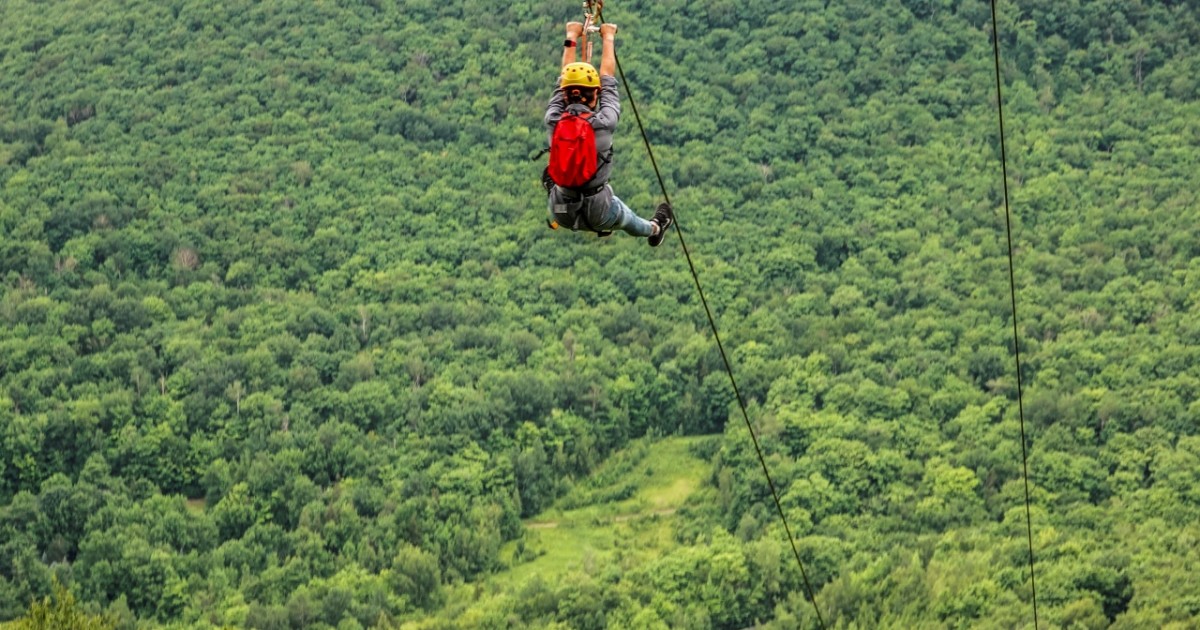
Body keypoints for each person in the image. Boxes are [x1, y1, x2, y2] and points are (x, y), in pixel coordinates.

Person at [544, 21, 673, 247]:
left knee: (551, 175)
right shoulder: (603, 123)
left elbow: (563, 79)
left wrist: (571, 35)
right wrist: (609, 37)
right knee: (628, 219)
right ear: (596, 95)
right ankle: (656, 228)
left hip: (561, 211)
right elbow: (608, 80)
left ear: (564, 96)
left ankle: (554, 185)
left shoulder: (553, 120)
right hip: (600, 211)